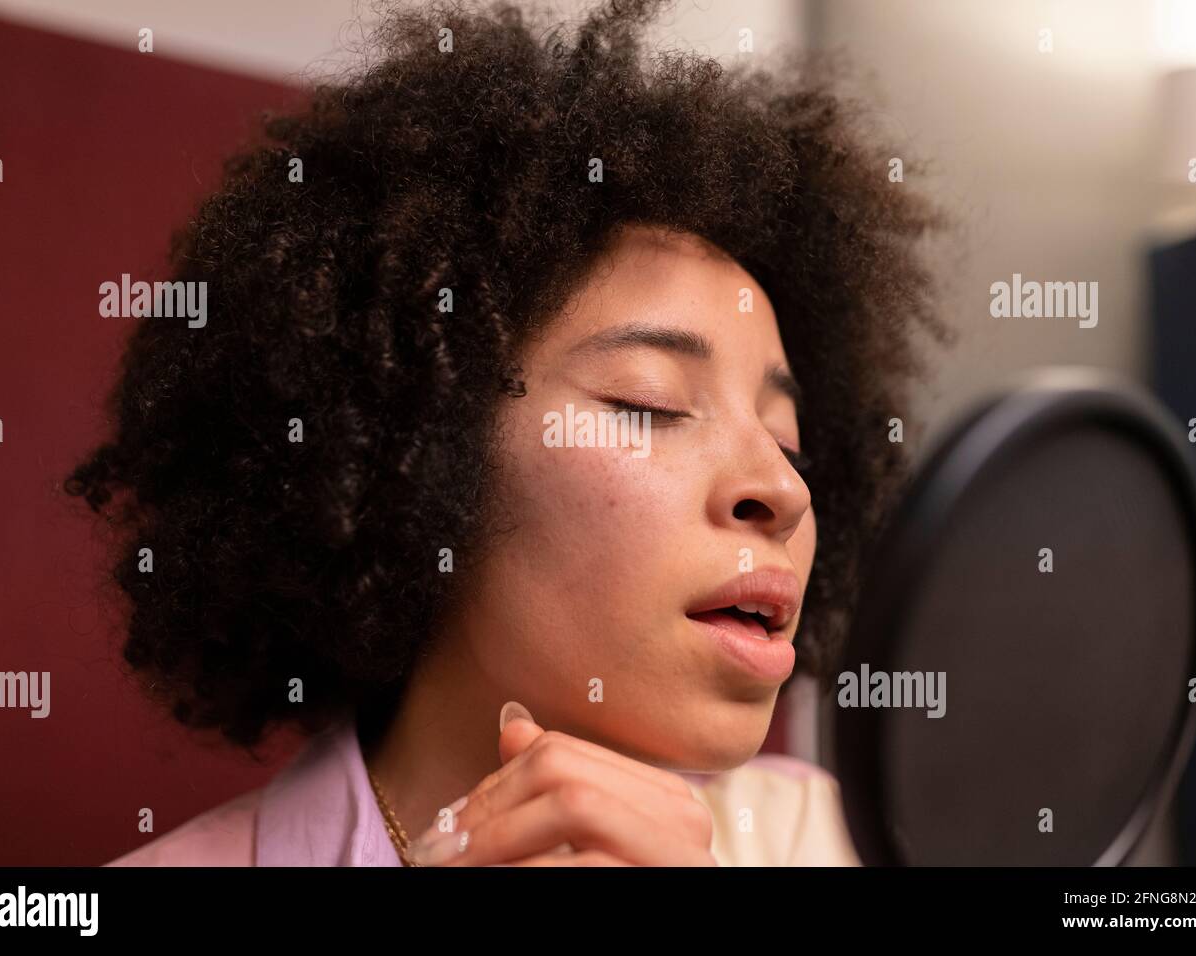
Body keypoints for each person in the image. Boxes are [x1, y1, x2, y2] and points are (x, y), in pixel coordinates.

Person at [66, 0, 947, 867]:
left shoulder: (846, 844)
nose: (785, 490)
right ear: (415, 458)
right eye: (650, 405)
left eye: (789, 440)